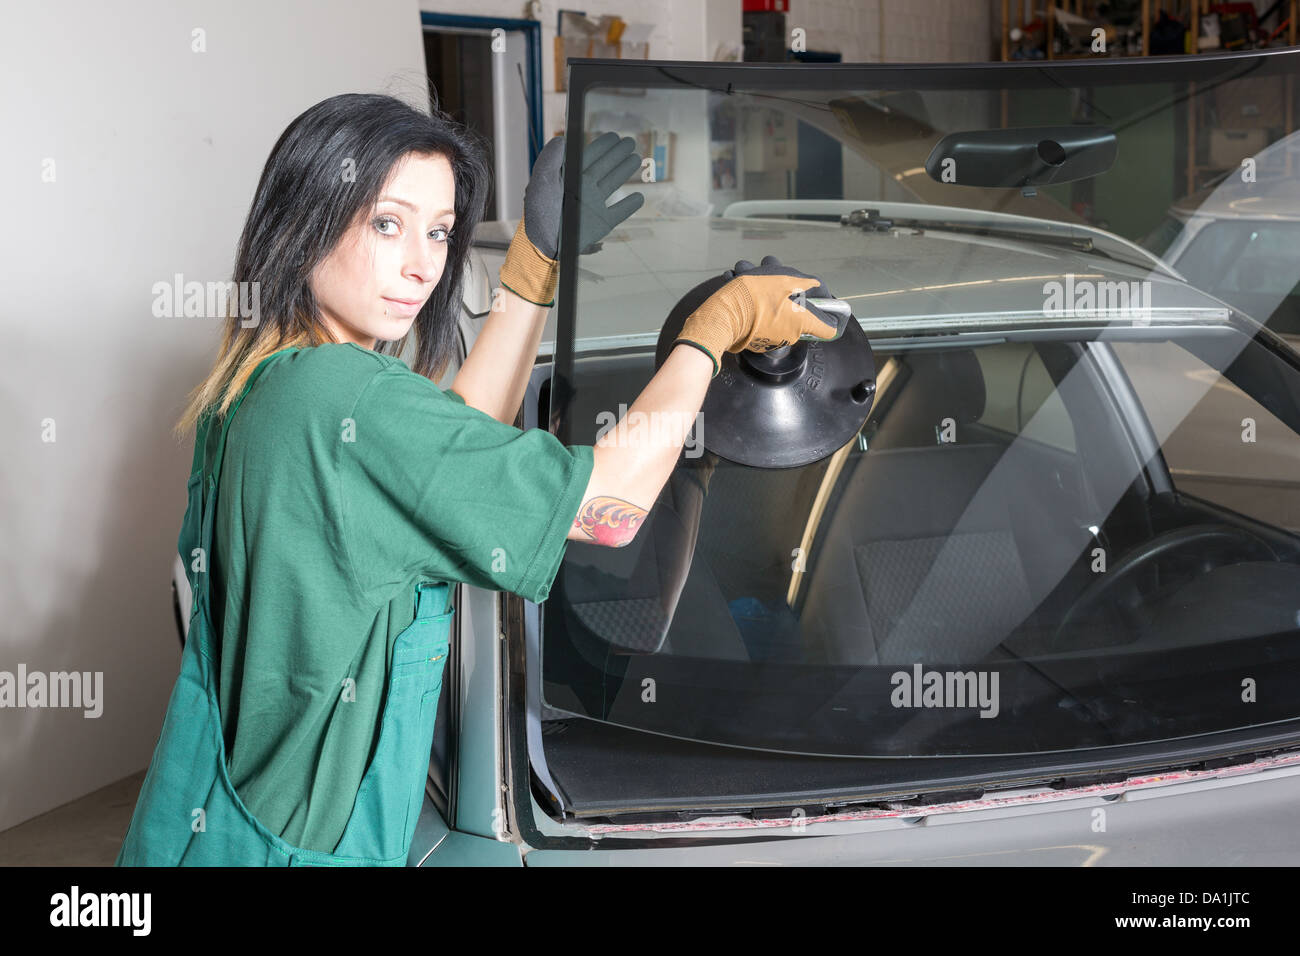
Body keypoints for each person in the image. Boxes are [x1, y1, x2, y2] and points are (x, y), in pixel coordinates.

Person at [115, 92, 840, 866]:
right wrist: (715, 330)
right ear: (306, 219)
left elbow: (455, 452)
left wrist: (534, 263)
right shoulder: (344, 399)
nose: (423, 265)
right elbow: (610, 510)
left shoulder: (261, 384)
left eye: (438, 231)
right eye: (387, 224)